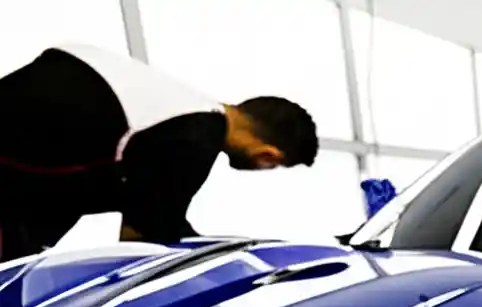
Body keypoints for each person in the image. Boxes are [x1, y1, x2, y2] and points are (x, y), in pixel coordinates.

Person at [0, 45, 318, 261]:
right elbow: (141, 243)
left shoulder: (170, 106)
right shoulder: (195, 136)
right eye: (273, 167)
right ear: (268, 155)